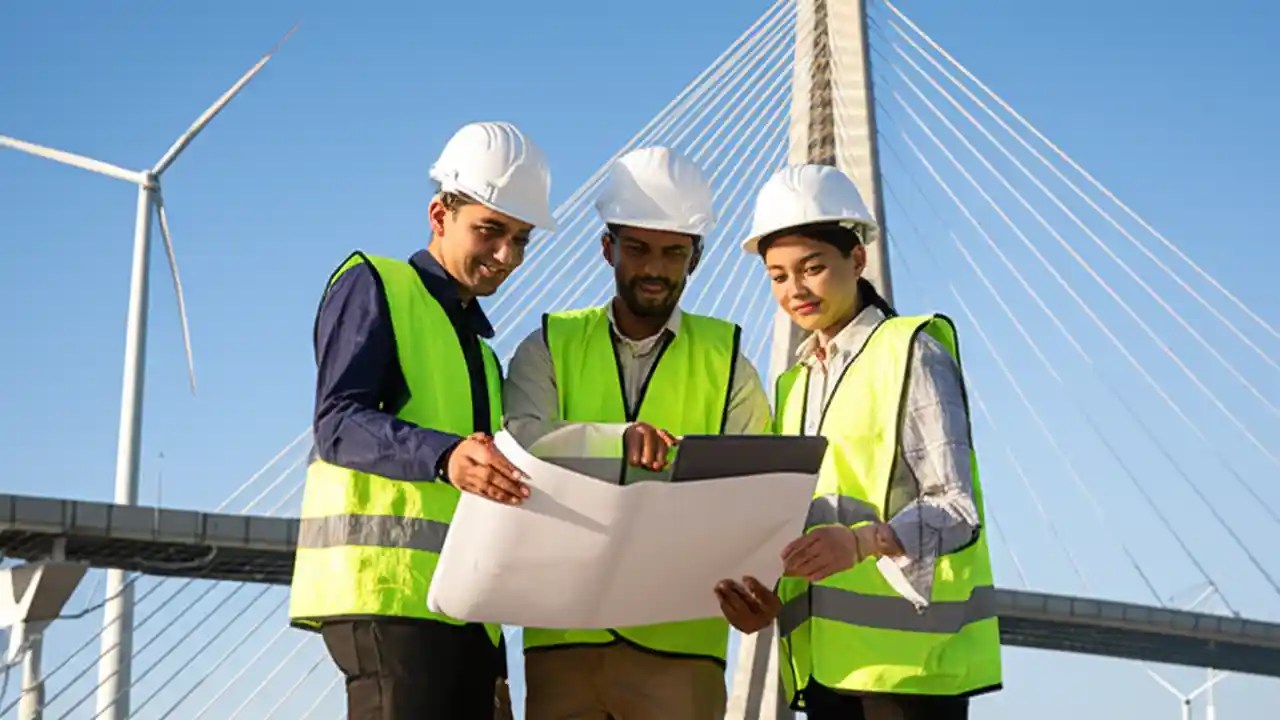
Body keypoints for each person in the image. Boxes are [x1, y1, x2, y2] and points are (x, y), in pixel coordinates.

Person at [287, 120, 557, 720]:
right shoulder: (377, 285)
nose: (506, 256)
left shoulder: (485, 356)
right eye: (490, 231)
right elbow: (337, 423)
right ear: (440, 215)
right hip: (390, 601)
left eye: (520, 239)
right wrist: (446, 456)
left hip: (466, 612)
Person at [717, 164, 1002, 720]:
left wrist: (863, 542)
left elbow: (956, 507)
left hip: (911, 678)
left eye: (813, 268)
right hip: (826, 673)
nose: (795, 289)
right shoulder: (794, 384)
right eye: (777, 276)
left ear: (858, 260)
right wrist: (767, 594)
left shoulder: (911, 351)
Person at [503, 145, 773, 720]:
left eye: (674, 252)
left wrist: (764, 590)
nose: (655, 268)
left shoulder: (729, 364)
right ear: (608, 249)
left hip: (682, 650)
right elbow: (520, 445)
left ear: (695, 258)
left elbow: (760, 497)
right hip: (565, 642)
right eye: (638, 249)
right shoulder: (550, 345)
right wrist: (614, 439)